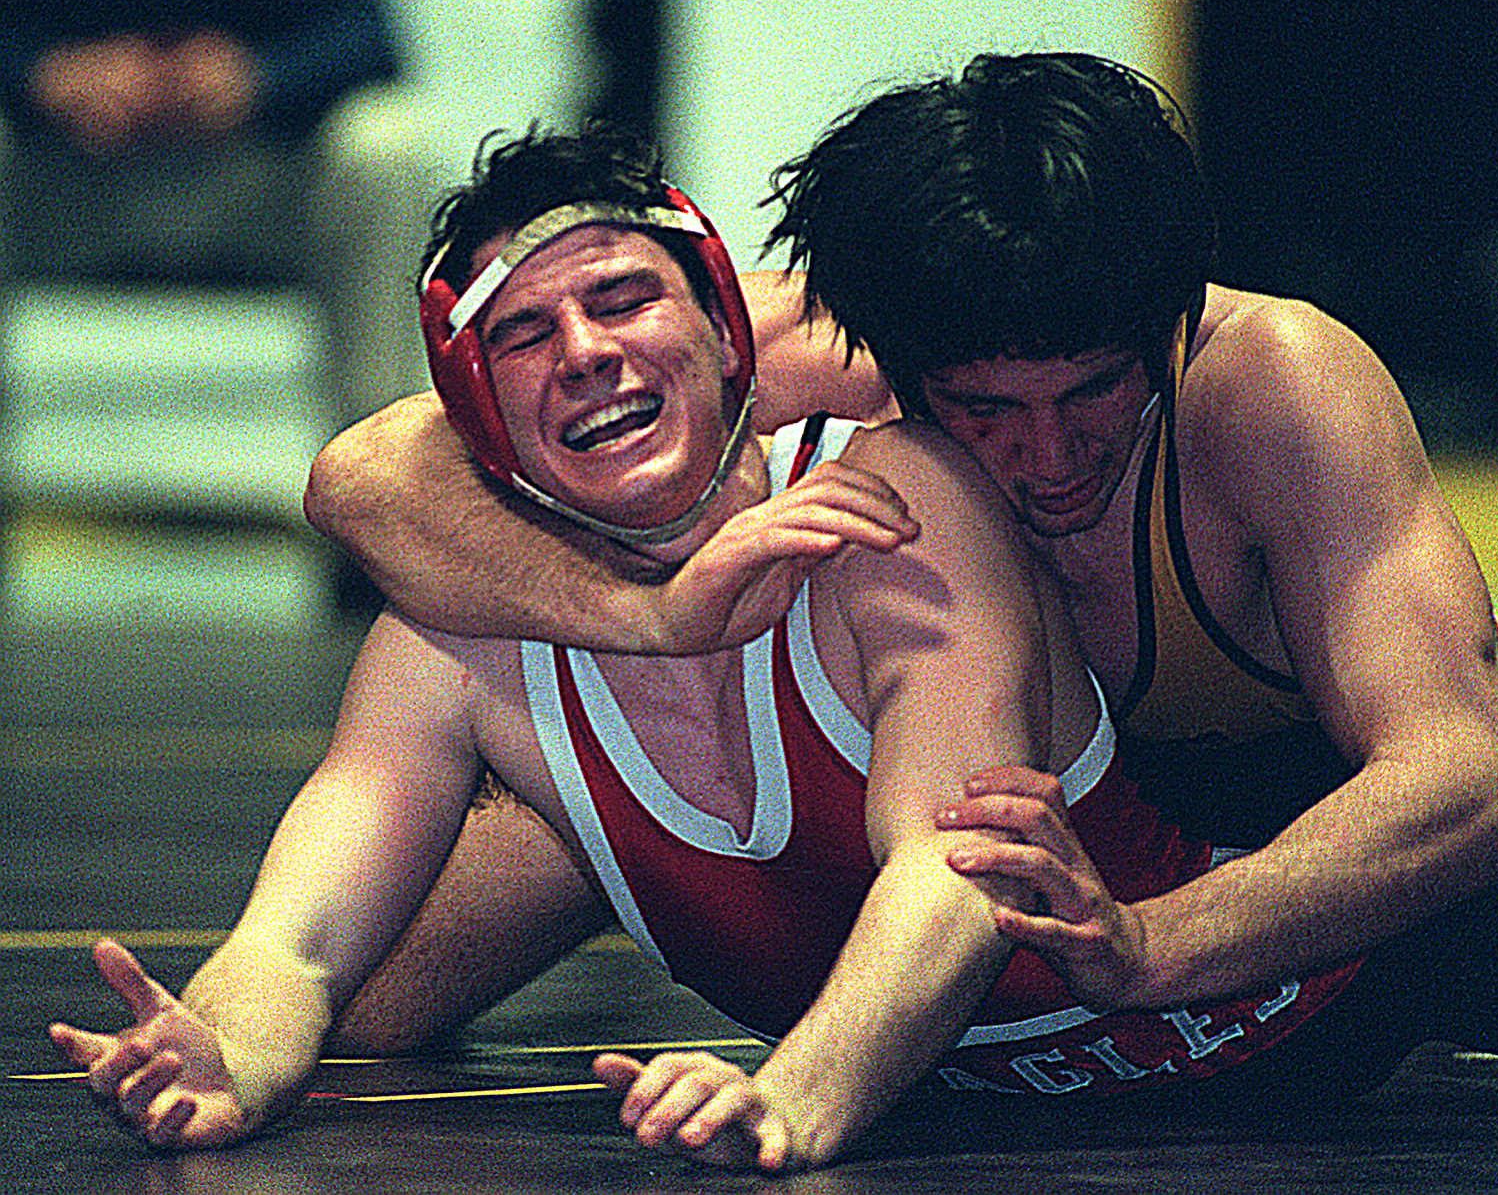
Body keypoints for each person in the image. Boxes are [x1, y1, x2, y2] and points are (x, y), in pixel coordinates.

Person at [51, 124, 1341, 1169]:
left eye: (622, 300)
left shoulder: (887, 502)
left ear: (730, 335)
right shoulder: (444, 645)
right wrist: (230, 1054)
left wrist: (794, 1096)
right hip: (966, 1117)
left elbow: (958, 870)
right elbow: (295, 941)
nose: (586, 354)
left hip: (1279, 1041)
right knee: (367, 1008)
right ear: (473, 406)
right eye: (524, 335)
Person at [301, 53, 1498, 1047]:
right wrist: (653, 617)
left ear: (1166, 331)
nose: (1049, 453)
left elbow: (1467, 787)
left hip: (1313, 834)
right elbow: (361, 477)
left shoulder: (1273, 385)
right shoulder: (834, 335)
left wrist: (1152, 946)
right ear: (889, 357)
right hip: (987, 787)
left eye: (1095, 394)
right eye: (985, 410)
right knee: (357, 1010)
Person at [1, 0, 430, 416]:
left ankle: (381, 445)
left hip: (255, 182)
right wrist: (47, 76)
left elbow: (371, 38)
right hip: (65, 185)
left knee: (387, 148)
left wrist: (260, 77)